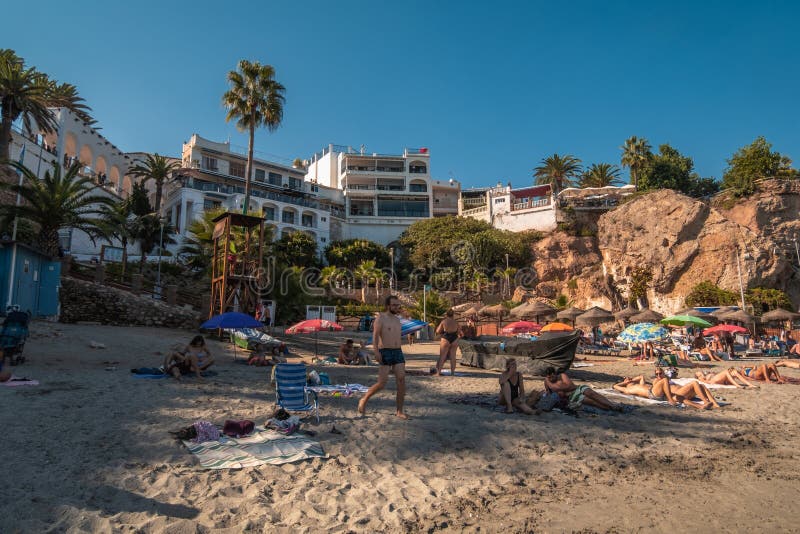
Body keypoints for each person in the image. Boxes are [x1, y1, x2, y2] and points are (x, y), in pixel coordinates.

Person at [358, 295, 408, 419]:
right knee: (382, 383)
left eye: (398, 305)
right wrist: (376, 351)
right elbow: (375, 337)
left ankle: (399, 411)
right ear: (388, 306)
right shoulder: (380, 318)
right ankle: (364, 399)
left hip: (398, 352)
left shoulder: (397, 319)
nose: (397, 307)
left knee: (401, 381)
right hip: (385, 351)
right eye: (394, 305)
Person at [613, 369, 721, 409]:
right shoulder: (629, 389)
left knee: (679, 397)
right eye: (625, 378)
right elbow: (614, 386)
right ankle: (670, 400)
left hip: (657, 392)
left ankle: (702, 406)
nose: (628, 379)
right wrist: (624, 383)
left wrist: (631, 379)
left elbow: (641, 376)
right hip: (652, 394)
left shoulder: (638, 383)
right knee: (665, 381)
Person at [543, 367, 622, 411]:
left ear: (555, 374)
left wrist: (556, 388)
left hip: (577, 388)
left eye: (552, 377)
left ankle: (612, 405)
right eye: (549, 377)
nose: (551, 379)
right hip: (571, 396)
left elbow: (569, 386)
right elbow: (548, 392)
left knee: (593, 394)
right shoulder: (547, 381)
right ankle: (610, 408)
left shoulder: (562, 376)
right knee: (591, 401)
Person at [435, 309, 460, 376]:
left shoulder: (444, 321)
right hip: (454, 338)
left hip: (446, 337)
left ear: (446, 314)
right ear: (453, 315)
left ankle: (438, 372)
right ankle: (452, 373)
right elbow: (459, 332)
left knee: (442, 356)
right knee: (453, 356)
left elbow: (437, 331)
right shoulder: (456, 322)